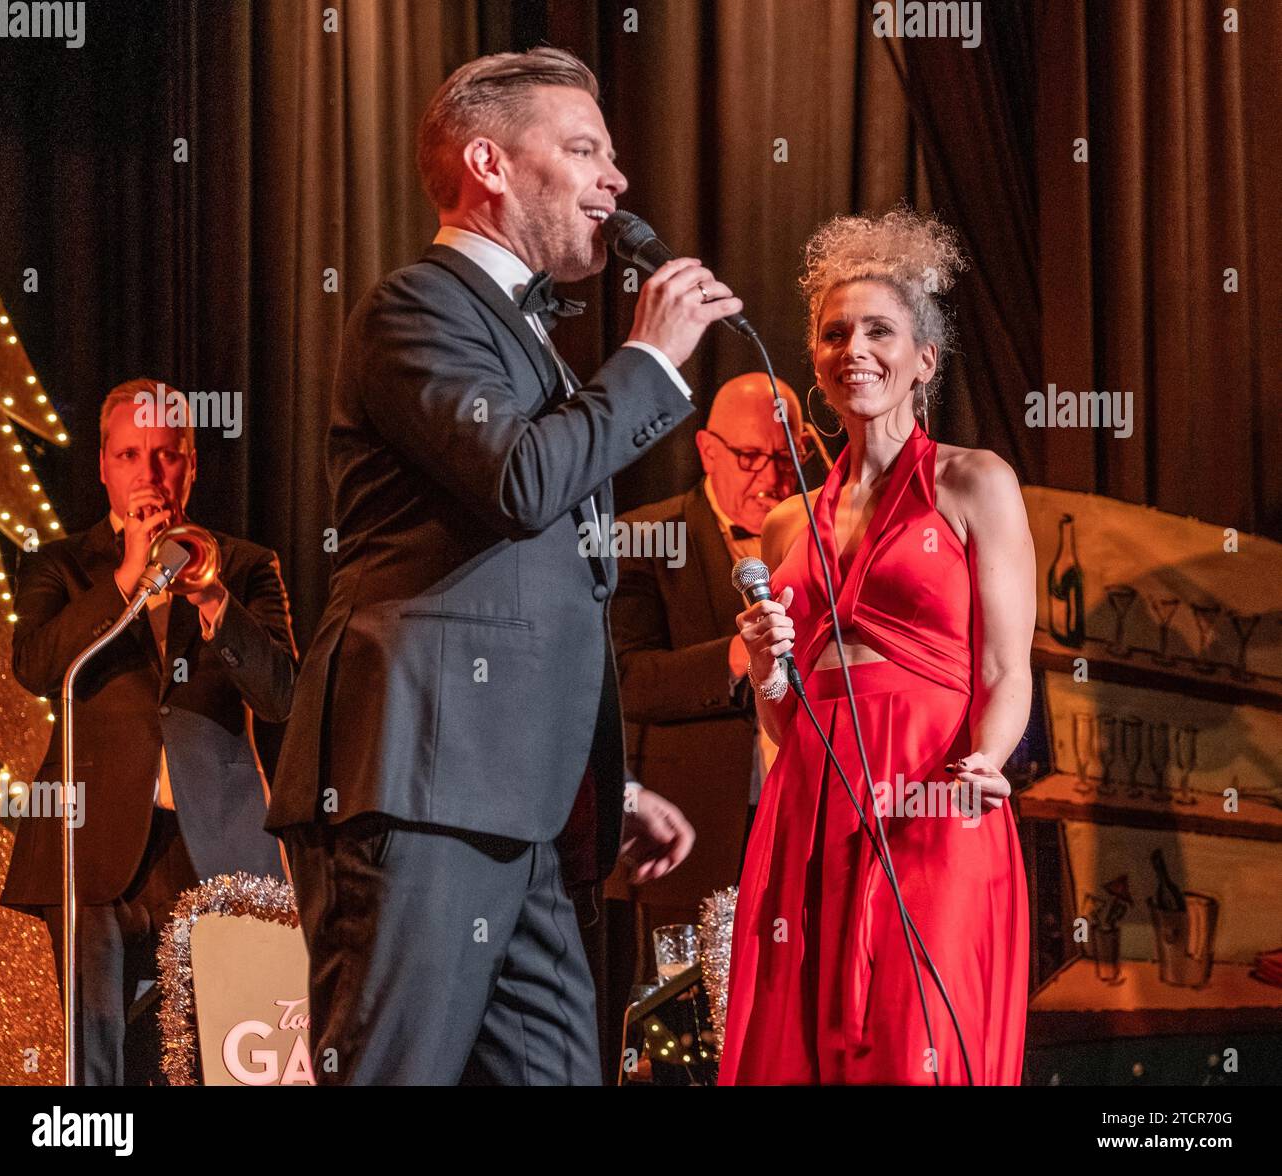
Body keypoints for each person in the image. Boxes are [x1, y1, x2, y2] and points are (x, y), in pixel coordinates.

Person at [266, 47, 737, 1085]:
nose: (615, 180)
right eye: (581, 150)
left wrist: (595, 782)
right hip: (420, 793)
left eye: (611, 156)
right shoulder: (414, 309)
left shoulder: (525, 340)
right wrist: (650, 359)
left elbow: (528, 594)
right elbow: (521, 480)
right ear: (487, 163)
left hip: (518, 809)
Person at [720, 209, 1034, 1085]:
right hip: (811, 798)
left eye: (879, 330)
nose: (853, 347)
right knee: (799, 1046)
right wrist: (767, 665)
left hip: (935, 791)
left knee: (913, 1041)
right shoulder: (786, 522)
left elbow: (1008, 667)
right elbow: (784, 720)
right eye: (833, 333)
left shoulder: (974, 481)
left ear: (924, 361)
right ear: (817, 365)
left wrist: (988, 758)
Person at [0, 377, 297, 1085]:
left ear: (191, 464)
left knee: (219, 1055)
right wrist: (129, 576)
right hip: (90, 844)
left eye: (166, 455)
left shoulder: (248, 567)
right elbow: (37, 667)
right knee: (95, 1057)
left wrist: (215, 600)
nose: (149, 472)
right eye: (131, 454)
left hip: (213, 841)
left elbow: (284, 695)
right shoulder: (59, 566)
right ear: (104, 465)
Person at [609, 373, 806, 976]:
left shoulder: (822, 534)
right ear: (707, 450)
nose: (770, 477)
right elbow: (624, 681)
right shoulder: (643, 535)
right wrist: (737, 656)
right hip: (689, 832)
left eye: (784, 457)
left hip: (803, 818)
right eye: (750, 456)